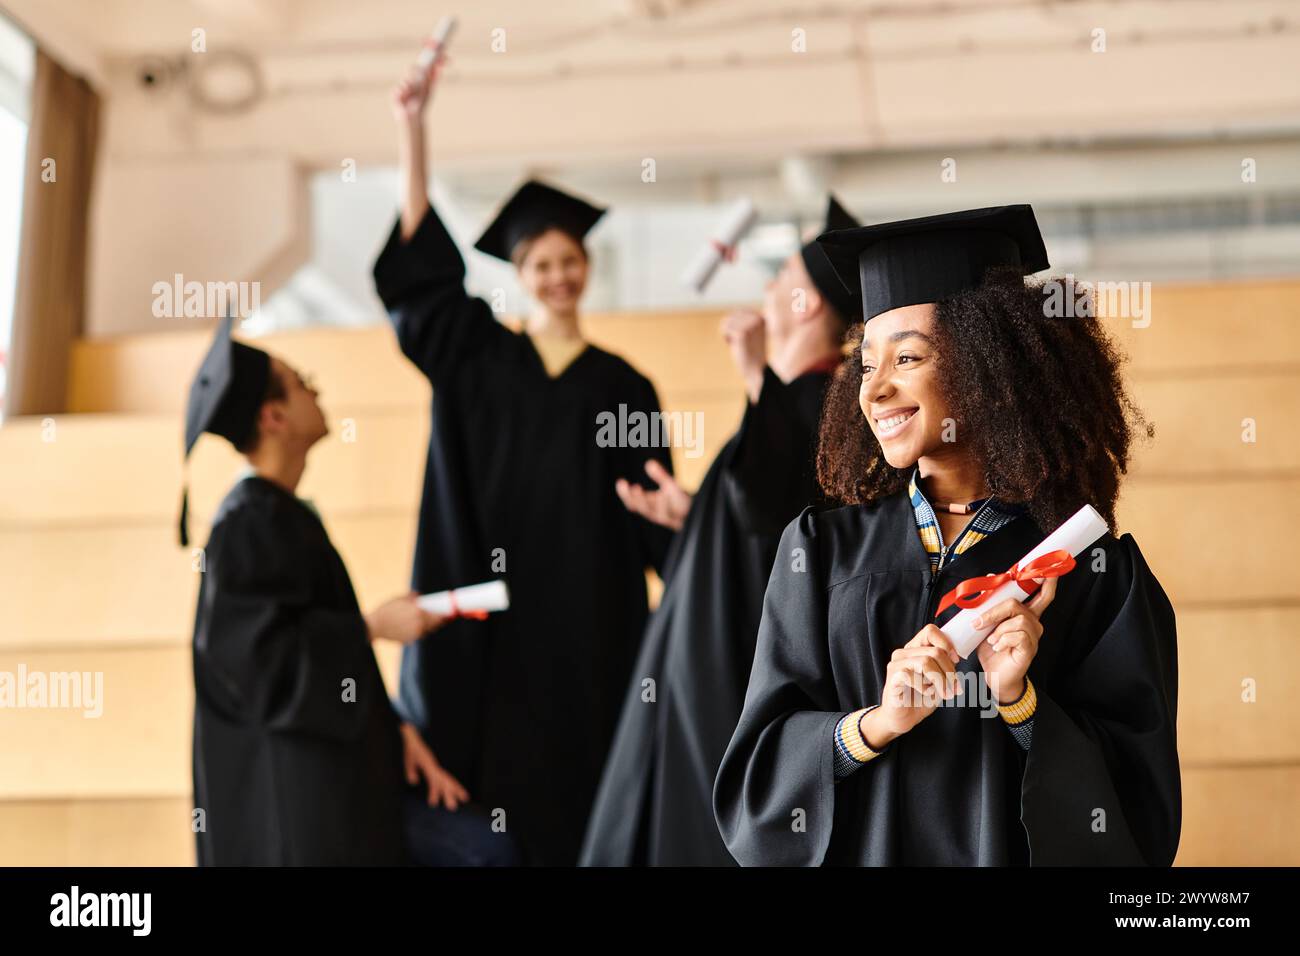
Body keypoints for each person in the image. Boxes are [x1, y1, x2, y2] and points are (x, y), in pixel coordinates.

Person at [713, 205, 1181, 866]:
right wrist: (877, 724)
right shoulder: (821, 551)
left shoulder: (1094, 573)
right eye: (867, 364)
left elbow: (1137, 814)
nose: (876, 391)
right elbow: (756, 777)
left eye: (907, 357)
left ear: (991, 366)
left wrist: (1021, 703)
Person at [373, 60, 675, 865]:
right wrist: (413, 132)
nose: (559, 275)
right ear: (519, 273)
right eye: (542, 263)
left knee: (592, 814)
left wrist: (692, 533)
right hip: (484, 631)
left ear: (588, 267)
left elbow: (658, 527)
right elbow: (424, 281)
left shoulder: (624, 386)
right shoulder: (475, 361)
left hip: (593, 634)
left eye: (571, 259)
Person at [580, 197, 859, 866]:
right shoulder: (785, 403)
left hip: (729, 679)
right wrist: (695, 517)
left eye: (782, 275)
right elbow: (751, 523)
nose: (767, 286)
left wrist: (754, 373)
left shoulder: (824, 409)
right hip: (690, 659)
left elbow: (775, 520)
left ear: (808, 304)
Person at [186, 316, 518, 866]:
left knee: (485, 848)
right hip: (301, 809)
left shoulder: (280, 516)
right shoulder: (247, 526)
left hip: (347, 786)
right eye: (301, 383)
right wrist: (373, 626)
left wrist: (395, 732)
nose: (316, 390)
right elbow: (262, 666)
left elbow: (314, 655)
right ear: (273, 417)